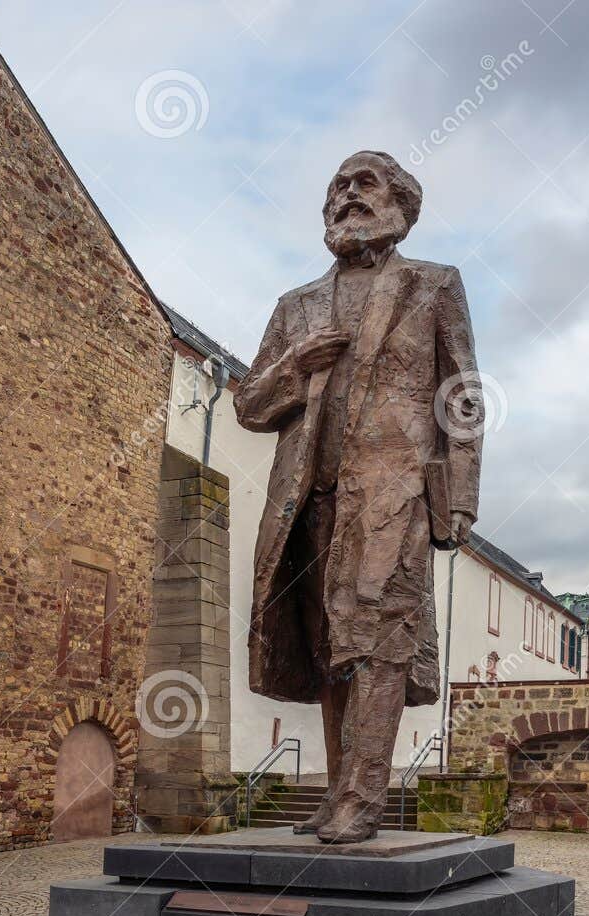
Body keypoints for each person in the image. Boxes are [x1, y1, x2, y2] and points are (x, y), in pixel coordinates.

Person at [233, 151, 484, 843]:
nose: (347, 195)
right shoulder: (296, 307)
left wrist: (456, 495)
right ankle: (338, 787)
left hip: (392, 493)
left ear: (401, 203)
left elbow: (460, 393)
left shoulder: (434, 286)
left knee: (378, 636)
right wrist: (295, 364)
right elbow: (250, 406)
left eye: (363, 182)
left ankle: (362, 796)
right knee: (326, 647)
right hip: (307, 498)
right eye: (337, 186)